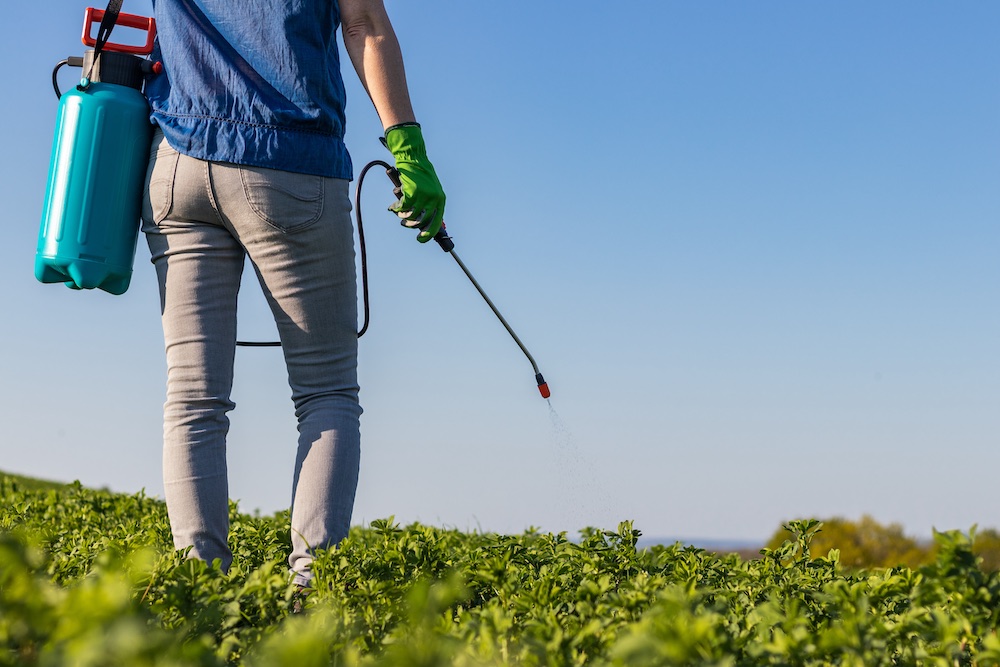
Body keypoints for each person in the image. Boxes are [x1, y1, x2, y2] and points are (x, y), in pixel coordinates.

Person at [140, 0, 445, 588]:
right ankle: (309, 599)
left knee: (194, 397)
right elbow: (364, 25)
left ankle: (199, 599)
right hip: (290, 161)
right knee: (326, 391)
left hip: (177, 165)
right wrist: (409, 151)